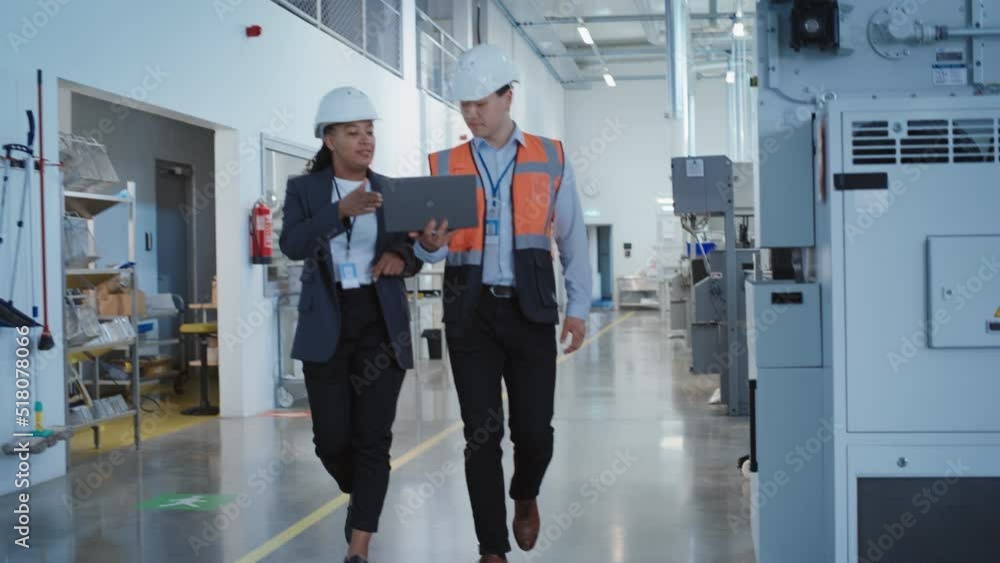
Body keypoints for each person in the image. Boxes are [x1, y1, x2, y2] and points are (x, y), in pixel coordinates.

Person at [413, 44, 593, 562]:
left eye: (480, 103)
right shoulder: (445, 163)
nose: (471, 114)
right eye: (464, 105)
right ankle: (491, 548)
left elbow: (572, 240)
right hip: (469, 313)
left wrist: (577, 307)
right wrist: (427, 242)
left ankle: (526, 492)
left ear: (507, 97)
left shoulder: (550, 155)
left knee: (535, 431)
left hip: (531, 309)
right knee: (480, 436)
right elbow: (433, 248)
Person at [279, 86, 423, 563]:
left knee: (373, 437)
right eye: (353, 132)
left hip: (380, 323)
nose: (365, 141)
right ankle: (362, 496)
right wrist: (338, 212)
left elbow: (410, 251)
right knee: (332, 441)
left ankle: (358, 545)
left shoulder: (392, 188)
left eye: (370, 132)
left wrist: (398, 255)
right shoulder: (305, 191)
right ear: (329, 140)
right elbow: (293, 244)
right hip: (328, 325)